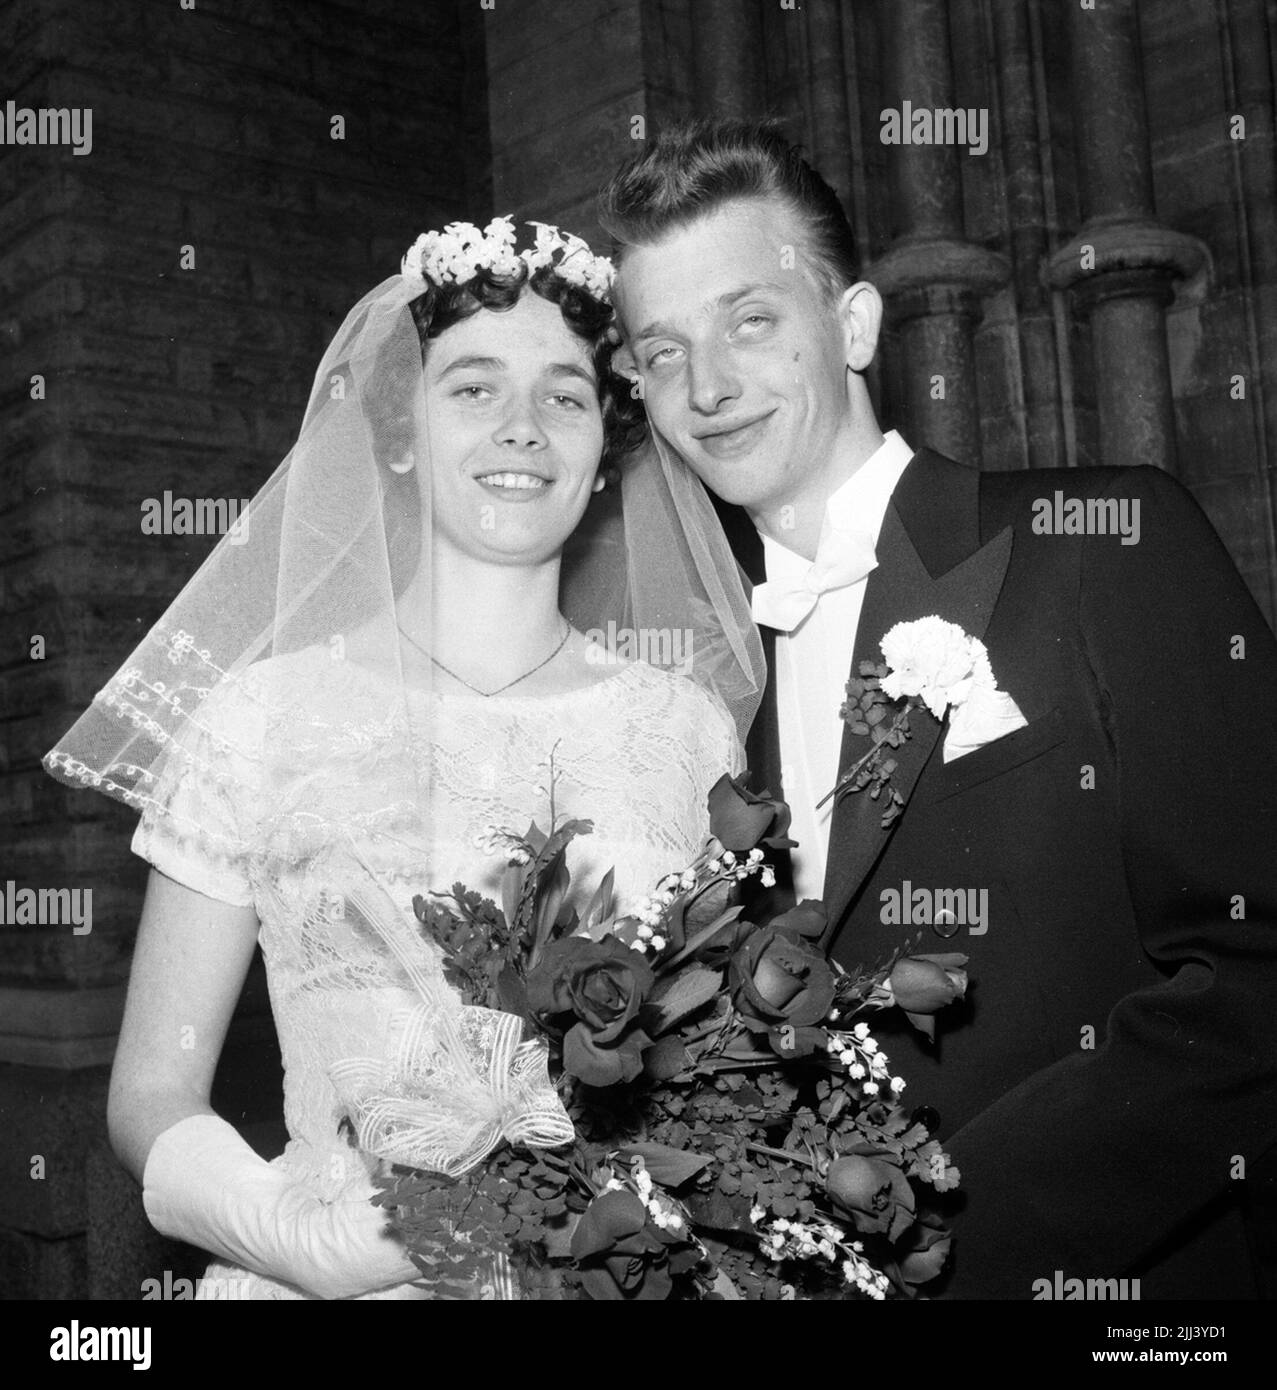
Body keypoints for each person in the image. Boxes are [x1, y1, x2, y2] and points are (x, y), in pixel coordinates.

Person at [597, 119, 1277, 1299]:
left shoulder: (1100, 546)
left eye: (749, 320)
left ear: (853, 325)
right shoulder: (697, 700)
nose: (705, 386)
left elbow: (1256, 971)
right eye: (662, 353)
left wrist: (918, 1249)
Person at [43, 215, 763, 1300]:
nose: (521, 427)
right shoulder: (264, 716)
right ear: (397, 430)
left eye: (563, 395)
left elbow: (715, 1065)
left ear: (605, 447)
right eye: (472, 388)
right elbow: (150, 1090)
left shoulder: (684, 728)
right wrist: (286, 1237)